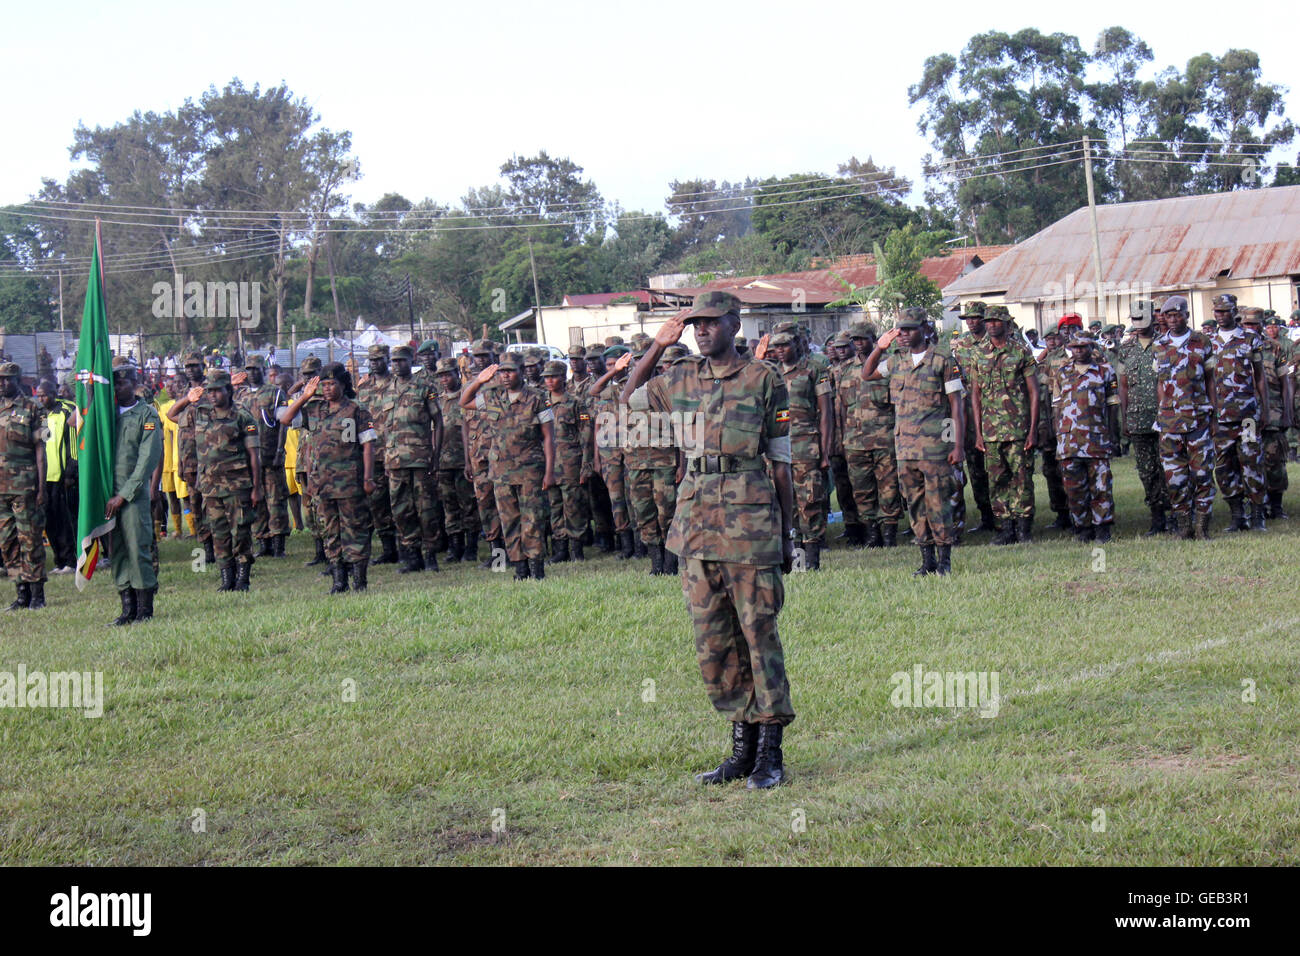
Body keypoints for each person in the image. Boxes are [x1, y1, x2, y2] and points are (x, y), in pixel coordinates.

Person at [621, 291, 795, 789]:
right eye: (695, 324)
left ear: (734, 325)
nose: (701, 331)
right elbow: (627, 399)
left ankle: (770, 752)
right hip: (695, 523)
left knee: (758, 635)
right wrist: (657, 346)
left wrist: (787, 533)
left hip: (751, 519)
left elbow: (781, 459)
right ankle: (740, 748)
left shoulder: (765, 380)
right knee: (713, 641)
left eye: (711, 323)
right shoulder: (678, 378)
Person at [862, 309, 965, 576]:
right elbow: (867, 373)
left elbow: (956, 405)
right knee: (915, 503)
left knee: (938, 502)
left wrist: (955, 445)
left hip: (934, 448)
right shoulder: (896, 361)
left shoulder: (943, 359)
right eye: (900, 330)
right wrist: (879, 347)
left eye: (909, 329)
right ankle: (926, 558)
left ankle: (944, 561)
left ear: (924, 329)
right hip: (905, 448)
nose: (903, 334)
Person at [459, 353, 556, 580]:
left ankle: (536, 567)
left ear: (521, 371)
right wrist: (479, 381)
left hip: (530, 469)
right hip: (501, 471)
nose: (505, 375)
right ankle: (519, 567)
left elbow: (549, 437)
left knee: (532, 519)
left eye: (510, 371)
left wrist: (550, 472)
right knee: (509, 520)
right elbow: (464, 402)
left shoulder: (538, 398)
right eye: (502, 371)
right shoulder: (492, 396)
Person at [281, 363, 376, 592]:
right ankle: (338, 580)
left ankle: (359, 581)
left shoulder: (356, 409)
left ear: (343, 385)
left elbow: (368, 445)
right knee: (330, 532)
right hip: (321, 483)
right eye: (324, 384)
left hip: (349, 482)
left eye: (332, 384)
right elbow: (285, 419)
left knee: (355, 530)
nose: (328, 388)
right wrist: (304, 397)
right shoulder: (314, 409)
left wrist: (368, 478)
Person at [168, 369, 263, 591]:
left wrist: (257, 488)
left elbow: (253, 455)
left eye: (217, 391)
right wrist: (188, 398)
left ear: (228, 391)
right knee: (219, 533)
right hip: (210, 486)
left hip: (237, 485)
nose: (212, 396)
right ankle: (226, 579)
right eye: (209, 391)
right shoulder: (200, 413)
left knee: (240, 532)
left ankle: (242, 578)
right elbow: (172, 415)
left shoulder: (242, 416)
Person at [971, 305, 1039, 544]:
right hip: (990, 432)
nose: (990, 325)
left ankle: (1023, 529)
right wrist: (978, 433)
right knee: (996, 481)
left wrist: (1032, 430)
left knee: (1022, 479)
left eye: (996, 321)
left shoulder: (1021, 352)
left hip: (1018, 429)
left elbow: (1033, 392)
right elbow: (975, 395)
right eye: (988, 321)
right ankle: (1005, 528)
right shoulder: (978, 354)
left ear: (1006, 324)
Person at [103, 358, 164, 623]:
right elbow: (74, 422)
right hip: (107, 495)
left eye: (123, 382)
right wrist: (92, 394)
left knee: (137, 548)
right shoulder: (104, 414)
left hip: (132, 495)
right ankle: (127, 608)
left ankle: (144, 609)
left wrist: (124, 495)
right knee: (116, 550)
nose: (118, 387)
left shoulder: (146, 414)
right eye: (114, 382)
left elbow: (147, 460)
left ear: (135, 384)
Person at [1152, 295, 1216, 540]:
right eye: (1169, 316)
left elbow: (1211, 380)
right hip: (1169, 423)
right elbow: (1160, 383)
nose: (1174, 319)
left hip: (1198, 418)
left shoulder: (1202, 342)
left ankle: (1201, 527)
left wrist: (1214, 414)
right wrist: (1161, 410)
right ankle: (1184, 526)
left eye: (1178, 315)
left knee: (1201, 475)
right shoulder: (1160, 346)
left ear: (1187, 316)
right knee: (1175, 478)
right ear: (1164, 319)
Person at [771, 330, 833, 569]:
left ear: (796, 344)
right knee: (786, 503)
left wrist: (825, 451)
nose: (780, 350)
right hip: (778, 447)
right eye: (776, 346)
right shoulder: (771, 372)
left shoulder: (814, 370)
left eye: (785, 345)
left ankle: (813, 560)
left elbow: (826, 412)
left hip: (807, 444)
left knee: (811, 500)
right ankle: (795, 559)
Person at [1206, 294, 1268, 532]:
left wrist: (1265, 409)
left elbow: (1260, 376)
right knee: (1223, 467)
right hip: (1220, 416)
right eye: (1217, 312)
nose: (1221, 316)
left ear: (1235, 312)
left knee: (1252, 464)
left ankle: (1258, 516)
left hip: (1247, 415)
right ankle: (1237, 515)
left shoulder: (1250, 339)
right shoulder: (1208, 342)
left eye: (1225, 311)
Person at [1052, 331, 1119, 542]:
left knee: (1101, 486)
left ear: (1091, 347)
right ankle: (1082, 528)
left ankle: (1102, 528)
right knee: (1074, 488)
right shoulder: (1062, 373)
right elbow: (1056, 407)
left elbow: (1112, 406)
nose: (1079, 351)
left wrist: (1112, 436)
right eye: (1075, 347)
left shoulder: (1105, 371)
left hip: (1096, 438)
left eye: (1083, 346)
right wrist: (1058, 435)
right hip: (1069, 441)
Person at [839, 321, 900, 548]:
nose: (858, 344)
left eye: (862, 339)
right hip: (855, 440)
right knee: (862, 489)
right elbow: (841, 406)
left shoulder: (886, 366)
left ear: (873, 340)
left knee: (889, 487)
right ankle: (872, 535)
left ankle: (889, 534)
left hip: (884, 437)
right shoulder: (845, 371)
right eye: (854, 340)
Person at [383, 344, 443, 573]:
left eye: (402, 361)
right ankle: (412, 555)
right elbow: (384, 427)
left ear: (411, 361)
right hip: (395, 460)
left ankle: (430, 555)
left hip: (420, 459)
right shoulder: (388, 389)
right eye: (394, 361)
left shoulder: (424, 387)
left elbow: (438, 422)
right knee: (401, 509)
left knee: (426, 508)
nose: (397, 365)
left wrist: (435, 456)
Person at [1117, 300, 1170, 534]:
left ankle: (1176, 515)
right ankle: (1157, 517)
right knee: (1146, 471)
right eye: (1135, 320)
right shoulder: (1126, 349)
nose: (1138, 324)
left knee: (1168, 467)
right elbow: (1124, 386)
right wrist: (1125, 416)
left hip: (1166, 418)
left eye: (1143, 319)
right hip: (1139, 419)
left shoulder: (1166, 344)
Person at [0, 362, 48, 610]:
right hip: (1, 490)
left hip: (26, 487)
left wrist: (42, 488)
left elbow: (41, 451)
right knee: (8, 542)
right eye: (0, 379)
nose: (2, 383)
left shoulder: (33, 408)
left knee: (30, 540)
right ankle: (21, 593)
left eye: (7, 379)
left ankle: (37, 593)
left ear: (17, 380)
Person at [949, 302, 997, 532]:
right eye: (968, 318)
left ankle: (1004, 515)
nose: (971, 321)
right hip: (969, 414)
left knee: (996, 468)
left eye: (976, 317)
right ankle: (986, 516)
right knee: (976, 469)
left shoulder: (996, 341)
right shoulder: (962, 345)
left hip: (996, 413)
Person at [542, 359, 593, 564]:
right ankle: (560, 548)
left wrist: (586, 465)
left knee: (573, 505)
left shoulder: (575, 403)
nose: (549, 381)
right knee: (554, 505)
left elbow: (586, 437)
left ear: (563, 378)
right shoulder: (541, 403)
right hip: (548, 465)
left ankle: (576, 548)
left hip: (571, 463)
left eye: (553, 377)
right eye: (546, 377)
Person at [1244, 309, 1293, 518]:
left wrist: (1288, 412)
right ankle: (1256, 506)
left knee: (1274, 460)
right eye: (1247, 324)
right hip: (1246, 414)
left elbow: (1285, 382)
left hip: (1273, 412)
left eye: (1255, 324)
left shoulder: (1274, 347)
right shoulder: (1237, 347)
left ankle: (1276, 506)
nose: (1251, 328)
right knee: (1248, 459)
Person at [240, 355, 290, 557]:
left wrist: (279, 451)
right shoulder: (241, 396)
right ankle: (263, 542)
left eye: (256, 368)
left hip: (270, 456)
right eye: (249, 369)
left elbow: (283, 425)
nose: (252, 372)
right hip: (250, 460)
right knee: (256, 501)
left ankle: (278, 544)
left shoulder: (275, 393)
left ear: (263, 369)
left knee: (275, 500)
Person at [588, 345, 635, 559]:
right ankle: (625, 545)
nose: (614, 367)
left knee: (635, 498)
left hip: (634, 451)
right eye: (608, 365)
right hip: (610, 455)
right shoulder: (605, 389)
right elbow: (593, 393)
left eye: (617, 363)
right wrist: (597, 457)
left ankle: (641, 543)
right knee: (616, 500)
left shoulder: (635, 384)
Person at [461, 340, 505, 567]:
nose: (480, 360)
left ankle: (517, 551)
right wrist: (468, 459)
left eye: (485, 356)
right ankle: (497, 555)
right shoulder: (470, 387)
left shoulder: (504, 383)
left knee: (507, 504)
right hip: (479, 457)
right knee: (485, 504)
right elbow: (465, 425)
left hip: (503, 455)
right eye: (477, 356)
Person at [433, 357, 479, 562]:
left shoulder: (466, 397)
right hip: (443, 461)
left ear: (456, 375)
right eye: (441, 376)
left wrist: (470, 460)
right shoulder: (438, 400)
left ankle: (471, 545)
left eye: (448, 375)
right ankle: (455, 545)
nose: (444, 379)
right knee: (449, 505)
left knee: (468, 504)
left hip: (463, 460)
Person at [357, 345, 398, 565]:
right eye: (371, 360)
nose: (374, 363)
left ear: (387, 360)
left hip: (397, 453)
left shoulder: (397, 384)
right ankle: (388, 549)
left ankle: (409, 547)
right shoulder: (364, 389)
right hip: (374, 456)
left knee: (401, 502)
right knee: (378, 504)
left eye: (379, 359)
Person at [37, 380, 78, 573]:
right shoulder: (42, 414)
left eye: (44, 395)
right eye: (39, 396)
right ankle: (59, 560)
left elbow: (74, 442)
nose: (41, 399)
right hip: (47, 476)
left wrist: (71, 470)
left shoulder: (67, 409)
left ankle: (71, 559)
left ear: (54, 393)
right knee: (50, 520)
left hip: (64, 476)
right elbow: (44, 442)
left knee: (65, 520)